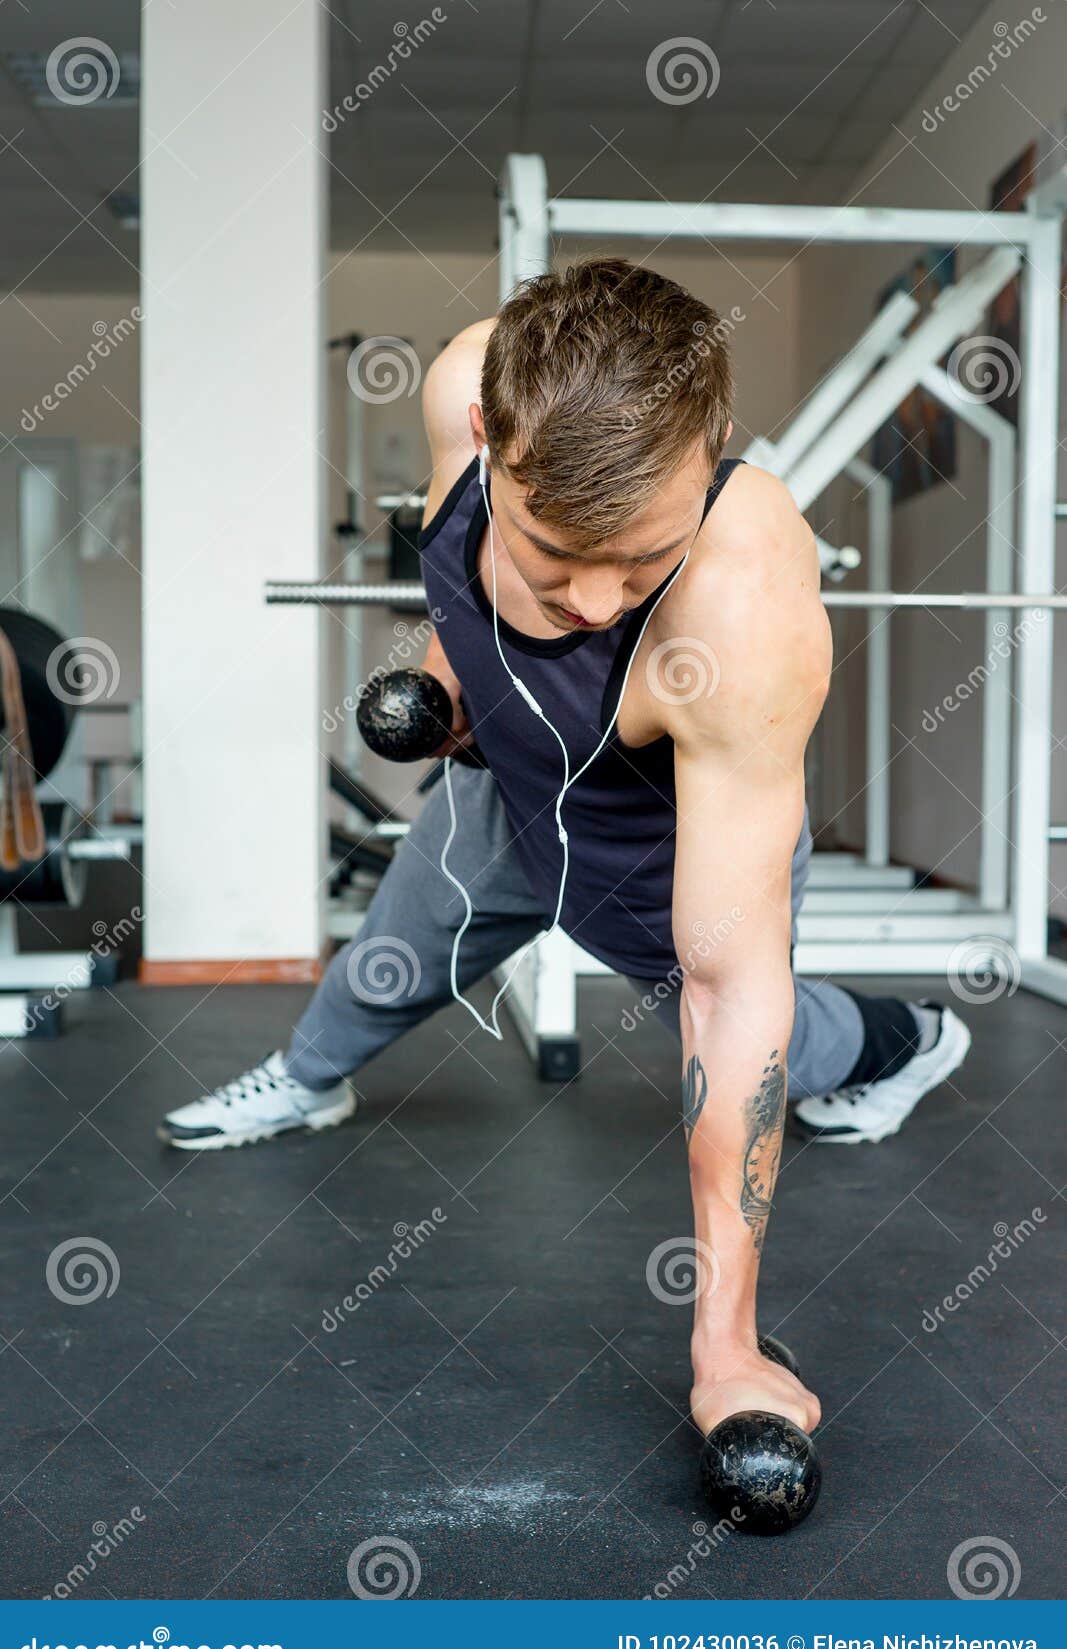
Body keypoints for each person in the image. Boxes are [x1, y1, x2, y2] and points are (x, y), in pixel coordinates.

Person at [162, 260, 970, 1438]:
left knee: (773, 1043)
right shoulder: (460, 387)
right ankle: (307, 1079)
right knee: (387, 955)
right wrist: (444, 692)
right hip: (500, 795)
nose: (595, 600)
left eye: (638, 561)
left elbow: (726, 987)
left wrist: (725, 1349)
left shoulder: (741, 608)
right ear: (489, 437)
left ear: (711, 451)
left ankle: (908, 1039)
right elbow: (458, 586)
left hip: (652, 849)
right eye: (553, 552)